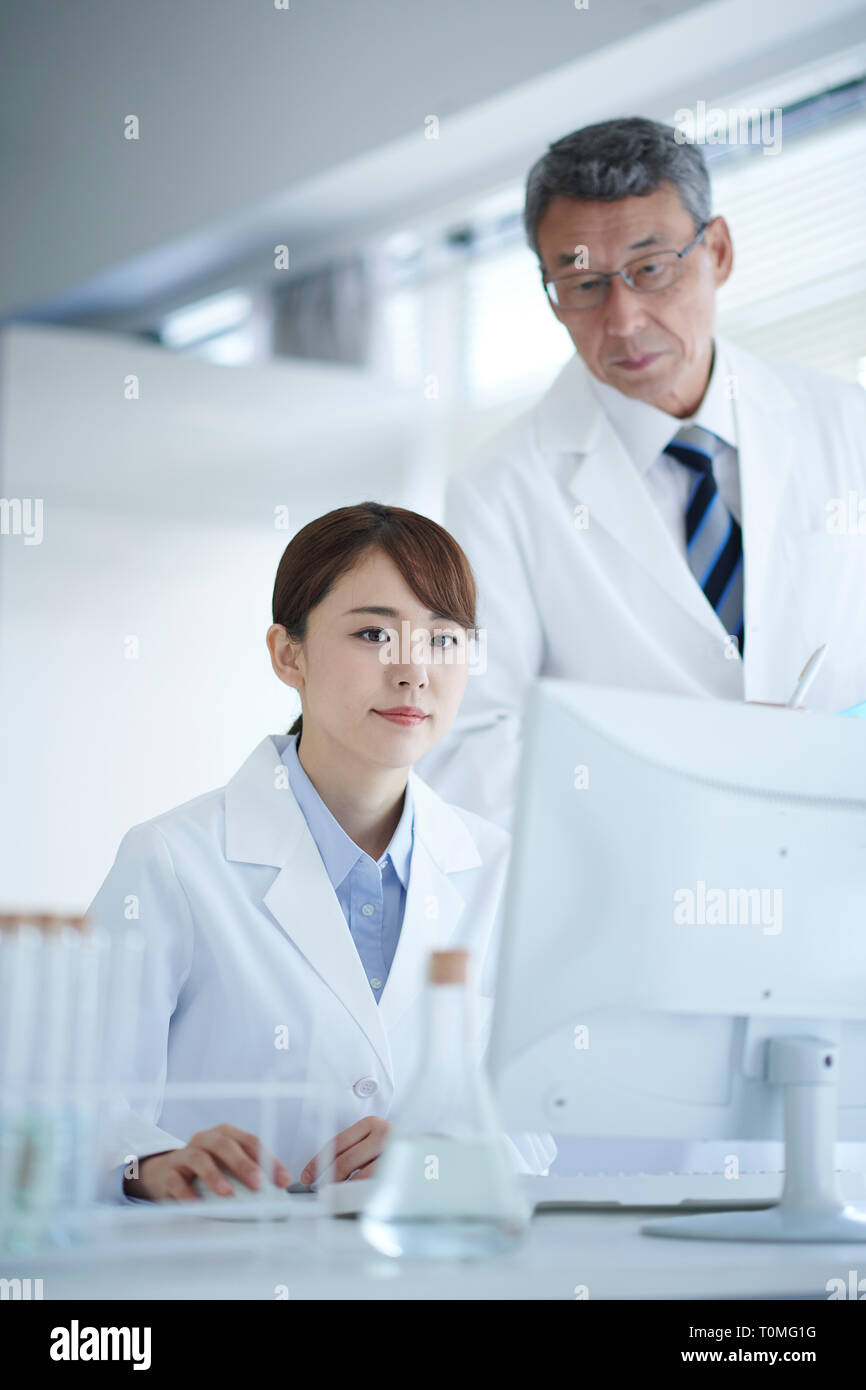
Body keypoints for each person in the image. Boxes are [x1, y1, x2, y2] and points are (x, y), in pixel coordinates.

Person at [87, 502, 554, 1203]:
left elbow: (547, 1126)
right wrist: (147, 1165)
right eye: (373, 633)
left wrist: (451, 1154)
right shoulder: (172, 863)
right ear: (287, 654)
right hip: (223, 1271)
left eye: (444, 639)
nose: (413, 672)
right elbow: (64, 1109)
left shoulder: (501, 872)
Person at [417, 116, 866, 826]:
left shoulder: (849, 425)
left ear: (716, 251)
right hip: (644, 890)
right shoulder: (499, 489)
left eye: (651, 269)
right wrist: (689, 773)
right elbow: (468, 751)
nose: (623, 320)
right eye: (583, 283)